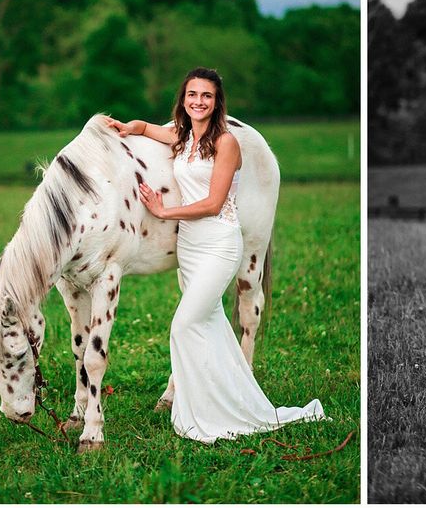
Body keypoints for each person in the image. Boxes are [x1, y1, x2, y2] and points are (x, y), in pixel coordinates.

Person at [103, 67, 324, 443]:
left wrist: (163, 212)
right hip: (189, 247)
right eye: (192, 95)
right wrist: (127, 126)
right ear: (183, 99)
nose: (198, 101)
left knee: (183, 325)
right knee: (207, 325)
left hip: (219, 243)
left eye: (206, 95)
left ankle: (208, 408)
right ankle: (212, 396)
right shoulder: (182, 136)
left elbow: (213, 203)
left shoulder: (227, 143)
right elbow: (147, 129)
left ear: (217, 101)